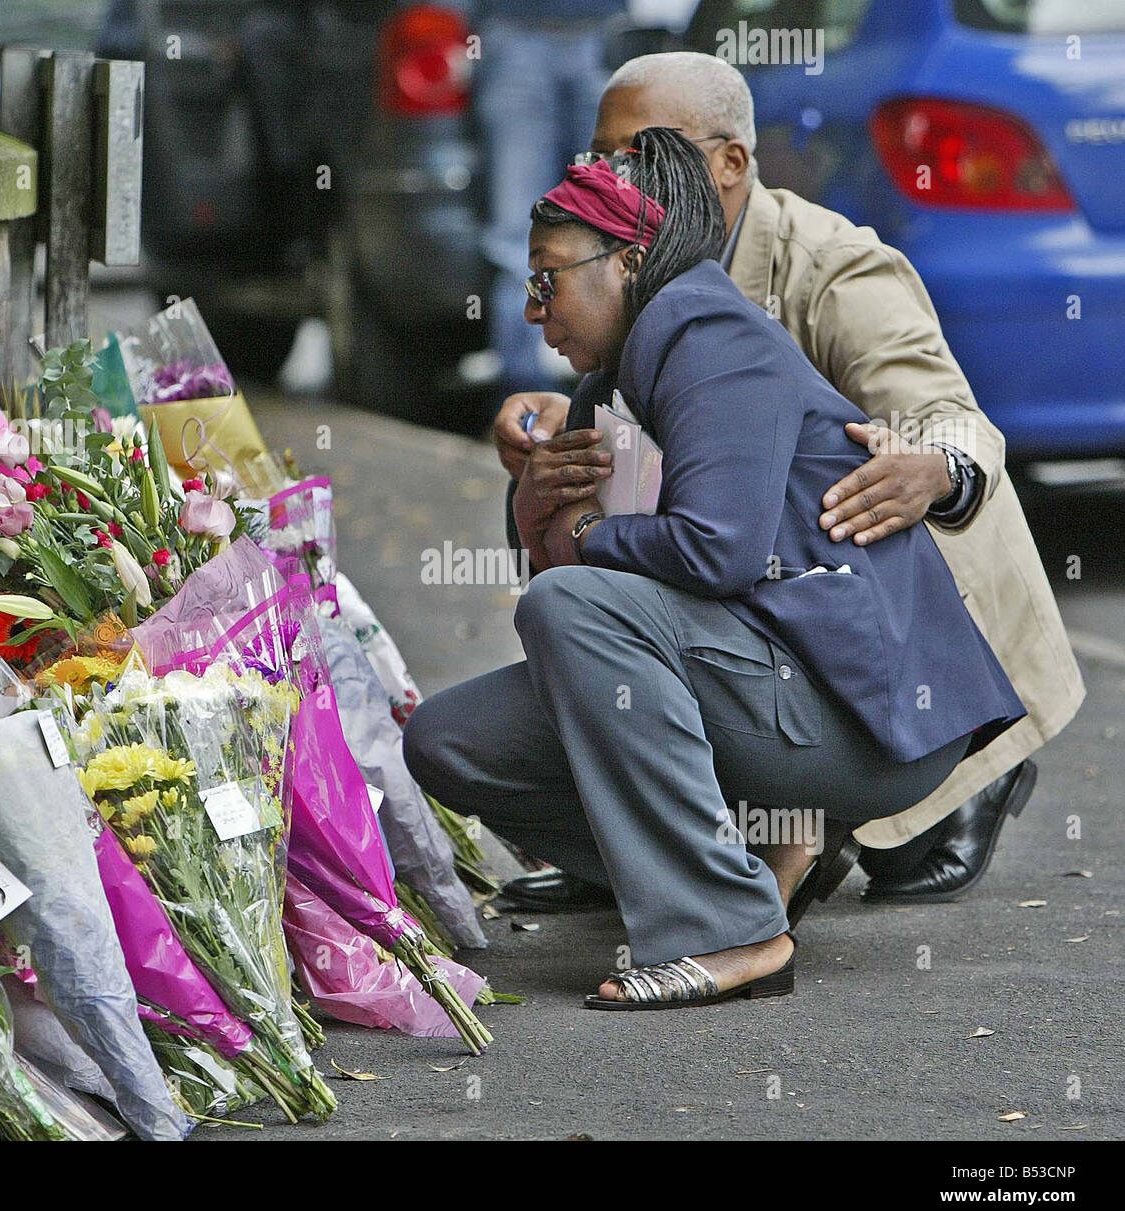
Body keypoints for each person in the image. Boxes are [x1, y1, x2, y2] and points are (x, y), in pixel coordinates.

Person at [402, 129, 1026, 1008]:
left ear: (629, 259)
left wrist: (580, 540)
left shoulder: (704, 331)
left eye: (548, 280)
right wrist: (535, 504)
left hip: (860, 713)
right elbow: (562, 582)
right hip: (766, 677)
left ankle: (732, 933)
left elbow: (711, 551)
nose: (535, 311)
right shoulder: (608, 377)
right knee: (450, 741)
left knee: (575, 604)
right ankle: (738, 862)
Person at [492, 52, 1082, 912]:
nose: (615, 174)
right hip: (760, 575)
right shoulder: (620, 266)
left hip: (882, 587)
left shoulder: (833, 266)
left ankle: (974, 767)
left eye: (642, 152)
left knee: (897, 863)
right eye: (603, 155)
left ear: (730, 164)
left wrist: (937, 470)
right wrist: (560, 424)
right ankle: (657, 843)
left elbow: (945, 413)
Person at [473, 1, 628, 406]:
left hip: (603, 37)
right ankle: (522, 393)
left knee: (613, 221)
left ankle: (615, 386)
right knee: (517, 231)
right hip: (515, 34)